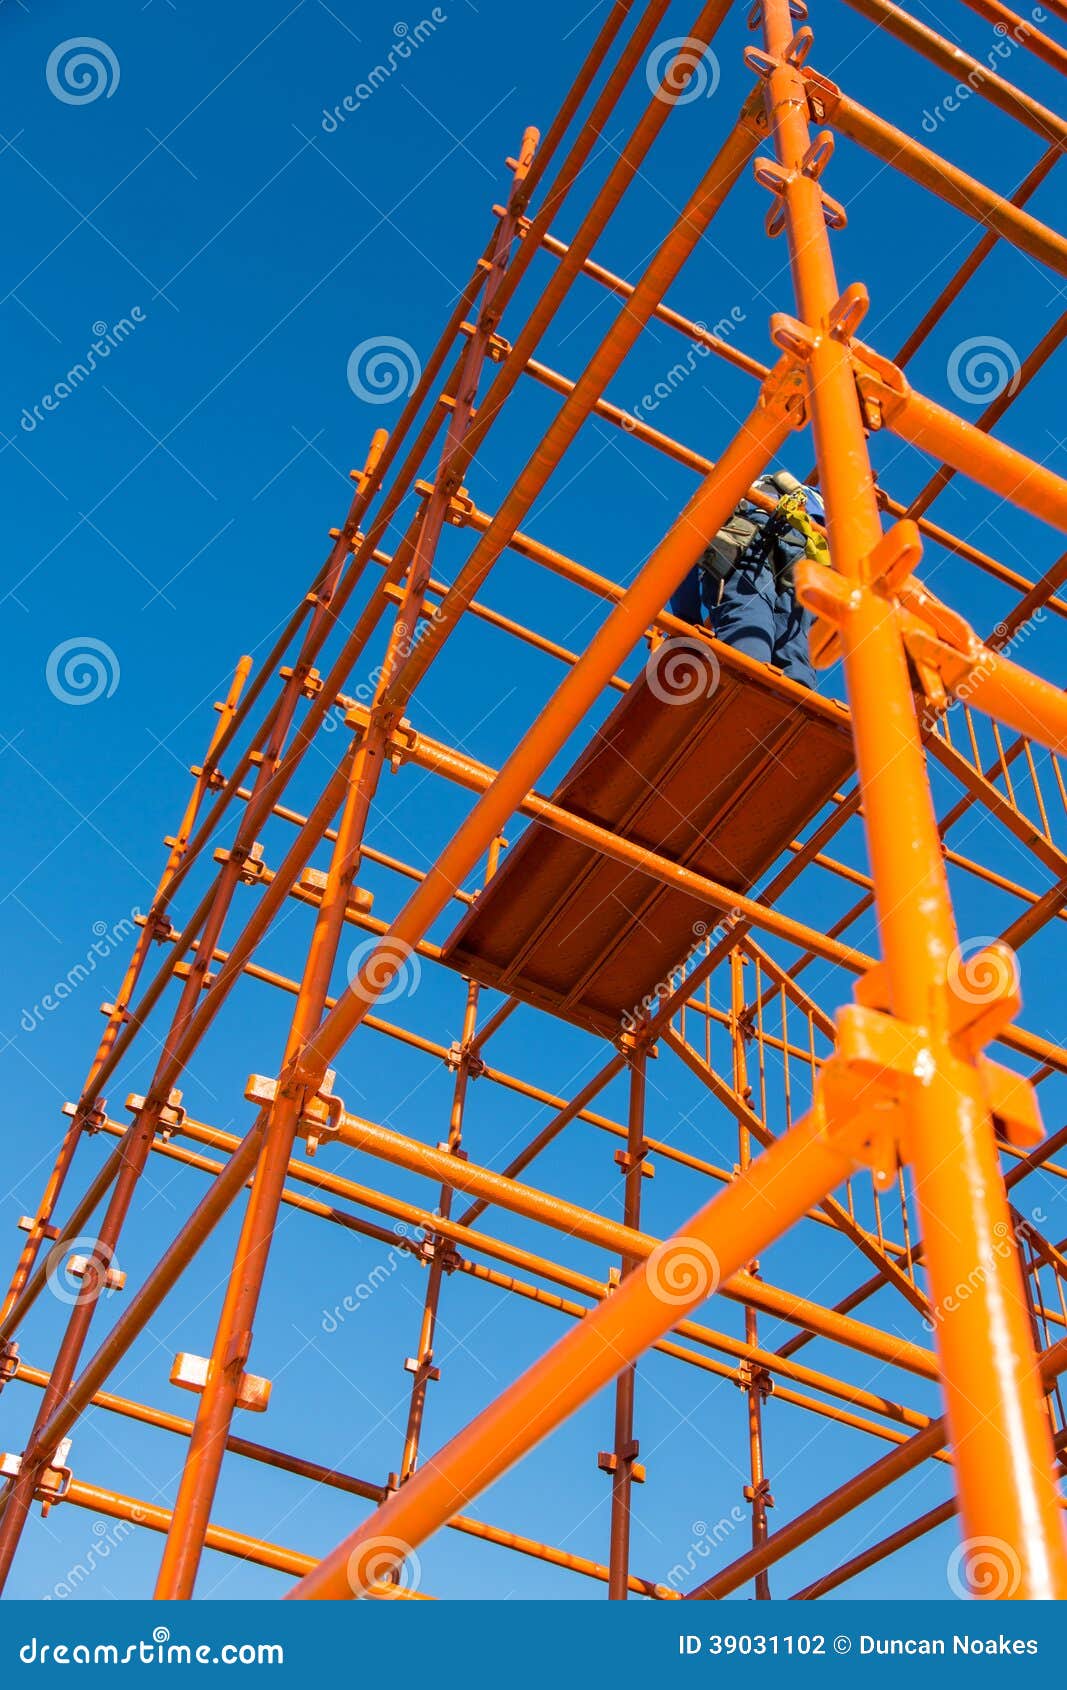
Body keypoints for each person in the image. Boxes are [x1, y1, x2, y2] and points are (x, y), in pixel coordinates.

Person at [671, 469, 826, 689]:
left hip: (751, 537)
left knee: (749, 627)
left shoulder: (743, 490)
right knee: (794, 645)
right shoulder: (821, 507)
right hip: (801, 557)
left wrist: (687, 622)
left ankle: (744, 688)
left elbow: (683, 553)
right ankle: (795, 704)